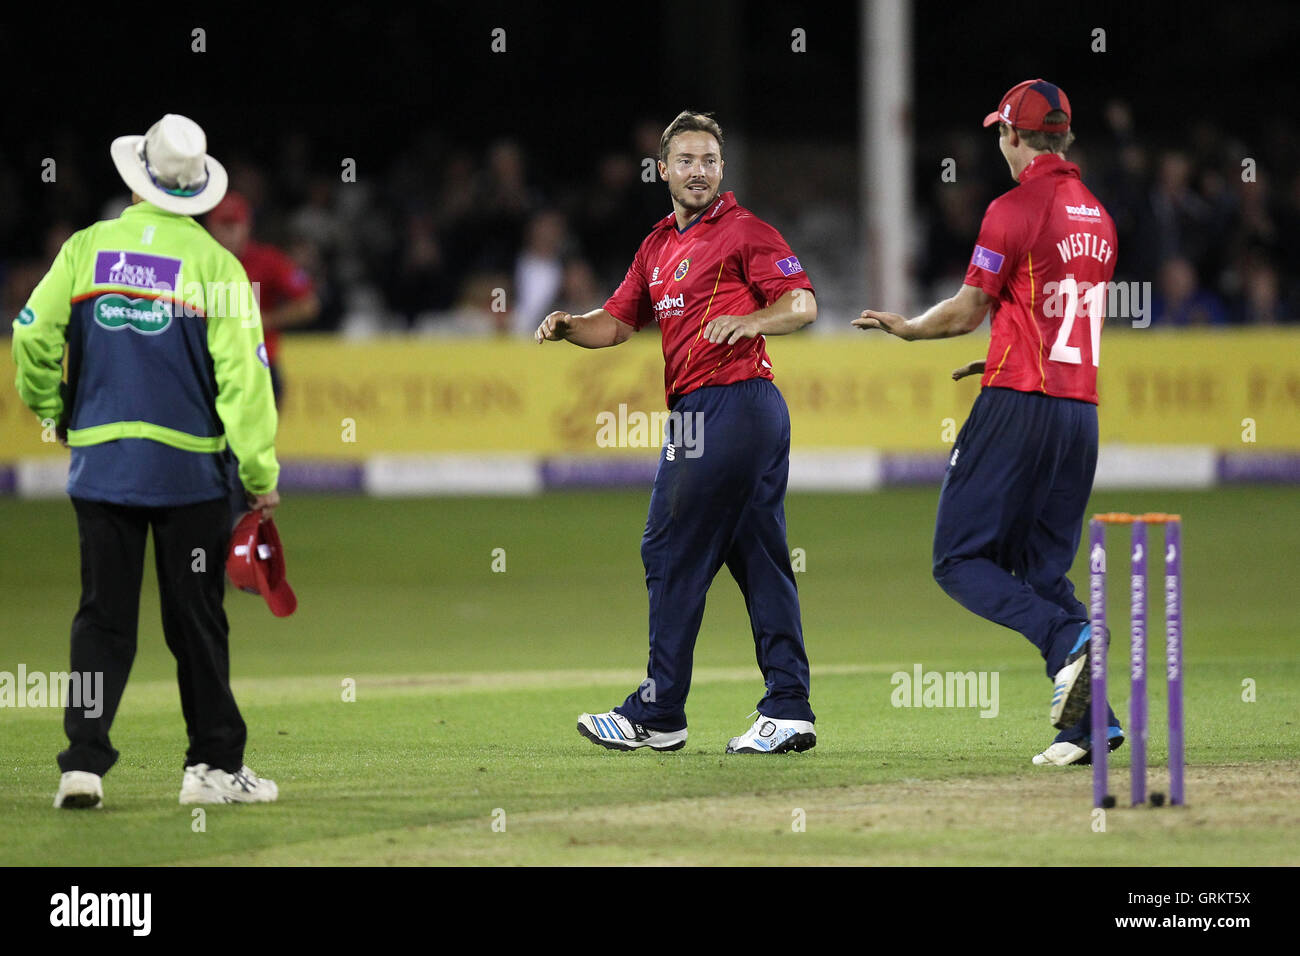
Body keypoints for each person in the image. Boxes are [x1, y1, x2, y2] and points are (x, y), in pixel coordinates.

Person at [12, 114, 282, 807]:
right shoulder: (217, 266)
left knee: (102, 617)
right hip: (188, 474)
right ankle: (212, 771)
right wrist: (259, 476)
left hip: (102, 467)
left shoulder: (86, 249)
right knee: (195, 619)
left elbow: (31, 336)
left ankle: (82, 765)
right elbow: (245, 381)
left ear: (137, 176)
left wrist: (54, 411)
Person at [853, 80, 1123, 766]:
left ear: (1014, 137)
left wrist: (910, 329)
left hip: (1020, 409)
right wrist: (1001, 357)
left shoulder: (1013, 207)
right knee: (1038, 569)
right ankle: (1090, 726)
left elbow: (971, 306)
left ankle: (1071, 645)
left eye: (999, 133)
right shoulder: (1098, 216)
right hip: (1079, 414)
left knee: (959, 558)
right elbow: (1050, 315)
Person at [536, 110, 819, 754]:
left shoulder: (746, 232)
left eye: (710, 161)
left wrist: (755, 323)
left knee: (669, 548)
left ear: (722, 170)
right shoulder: (657, 246)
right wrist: (568, 325)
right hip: (727, 413)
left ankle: (659, 712)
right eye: (686, 161)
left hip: (729, 406)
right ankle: (789, 706)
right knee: (759, 557)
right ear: (662, 170)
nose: (699, 171)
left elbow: (802, 302)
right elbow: (615, 322)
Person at [206, 191, 319, 403]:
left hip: (259, 366)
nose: (229, 233)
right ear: (210, 227)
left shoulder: (268, 260)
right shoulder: (201, 262)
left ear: (247, 226)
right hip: (214, 366)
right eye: (223, 225)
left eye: (234, 225)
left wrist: (266, 320)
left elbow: (308, 304)